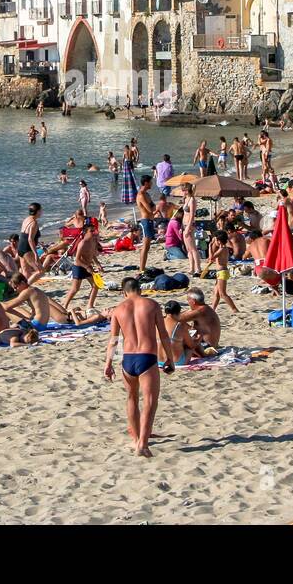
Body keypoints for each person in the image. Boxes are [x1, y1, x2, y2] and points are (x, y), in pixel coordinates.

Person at [104, 278, 176, 457]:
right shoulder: (151, 305)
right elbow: (164, 335)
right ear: (140, 289)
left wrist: (108, 363)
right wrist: (169, 358)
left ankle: (136, 439)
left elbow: (114, 340)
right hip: (147, 357)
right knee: (150, 401)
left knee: (131, 399)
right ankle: (143, 444)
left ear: (124, 292)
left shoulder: (118, 310)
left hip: (127, 359)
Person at [61, 223, 103, 311]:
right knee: (75, 289)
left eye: (94, 230)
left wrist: (98, 264)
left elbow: (92, 254)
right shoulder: (82, 243)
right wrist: (87, 267)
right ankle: (64, 305)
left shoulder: (94, 241)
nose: (94, 232)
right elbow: (77, 260)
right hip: (79, 267)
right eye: (91, 231)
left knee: (96, 285)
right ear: (85, 232)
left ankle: (90, 305)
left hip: (88, 266)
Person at [206, 230, 239, 313]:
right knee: (216, 294)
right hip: (220, 273)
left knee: (222, 294)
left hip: (222, 273)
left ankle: (234, 309)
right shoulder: (222, 249)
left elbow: (211, 257)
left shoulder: (223, 249)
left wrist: (210, 246)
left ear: (218, 241)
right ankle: (212, 310)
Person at [135, 174, 157, 273]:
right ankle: (141, 268)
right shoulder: (141, 195)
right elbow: (150, 210)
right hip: (145, 221)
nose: (152, 184)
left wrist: (154, 209)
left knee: (147, 247)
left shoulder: (146, 194)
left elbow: (153, 206)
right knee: (145, 246)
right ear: (146, 183)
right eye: (151, 182)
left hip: (150, 221)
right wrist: (154, 210)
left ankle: (142, 267)